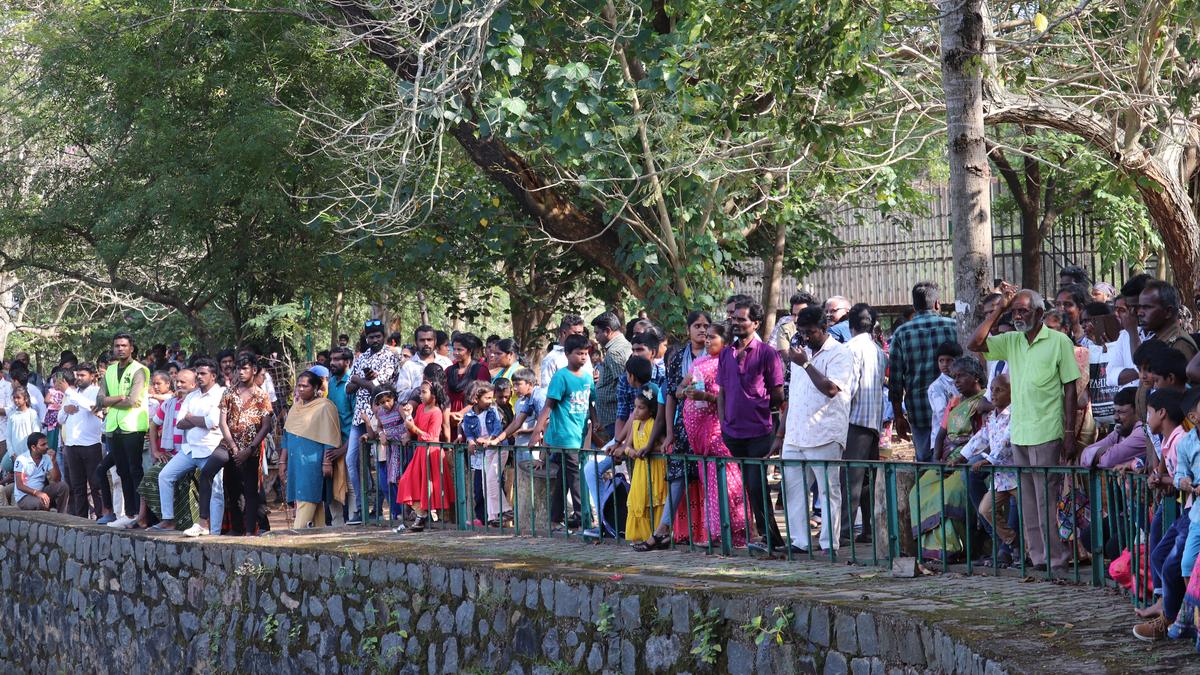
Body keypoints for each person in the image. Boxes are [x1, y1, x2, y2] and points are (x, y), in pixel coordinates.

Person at [969, 284, 1079, 572]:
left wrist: (1069, 433)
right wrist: (1000, 308)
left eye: (1023, 310)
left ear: (1039, 313)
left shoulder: (1058, 342)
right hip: (1020, 431)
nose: (1018, 315)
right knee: (1029, 502)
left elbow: (1070, 389)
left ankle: (1057, 558)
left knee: (1046, 498)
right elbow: (975, 343)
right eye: (1015, 311)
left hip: (1047, 430)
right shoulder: (1012, 341)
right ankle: (1038, 557)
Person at [769, 306, 853, 554]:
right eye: (802, 332)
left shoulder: (840, 354)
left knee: (828, 492)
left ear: (824, 328)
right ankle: (799, 542)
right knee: (793, 490)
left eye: (811, 332)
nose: (805, 337)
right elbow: (793, 398)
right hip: (795, 434)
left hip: (825, 433)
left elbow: (830, 390)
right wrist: (780, 435)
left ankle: (829, 544)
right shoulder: (799, 355)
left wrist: (806, 364)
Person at [718, 300, 785, 551]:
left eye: (741, 319)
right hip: (733, 431)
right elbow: (722, 391)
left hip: (759, 430)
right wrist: (724, 423)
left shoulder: (767, 353)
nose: (735, 323)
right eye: (734, 319)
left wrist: (763, 410)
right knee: (749, 485)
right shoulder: (726, 353)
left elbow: (777, 393)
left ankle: (772, 539)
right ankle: (769, 538)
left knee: (757, 485)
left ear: (755, 323)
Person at [912, 357, 990, 562]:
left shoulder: (984, 401)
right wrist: (936, 458)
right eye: (954, 377)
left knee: (949, 494)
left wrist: (962, 456)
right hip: (948, 460)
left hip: (972, 460)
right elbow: (941, 434)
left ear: (975, 377)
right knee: (918, 490)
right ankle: (930, 548)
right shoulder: (955, 402)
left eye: (961, 376)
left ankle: (953, 547)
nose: (956, 381)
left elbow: (985, 438)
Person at [679, 322, 747, 549]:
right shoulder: (698, 362)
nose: (707, 341)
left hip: (717, 430)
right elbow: (679, 389)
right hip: (697, 433)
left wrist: (704, 396)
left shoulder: (726, 363)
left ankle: (736, 532)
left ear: (725, 342)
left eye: (712, 338)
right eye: (706, 337)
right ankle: (715, 533)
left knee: (727, 481)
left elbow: (724, 399)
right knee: (710, 481)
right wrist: (687, 392)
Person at [1135, 389, 1189, 641]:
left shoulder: (1180, 441)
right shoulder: (1169, 441)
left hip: (1190, 510)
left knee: (1172, 565)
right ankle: (1169, 610)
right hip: (1186, 509)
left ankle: (1172, 617)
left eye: (1149, 413)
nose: (1147, 419)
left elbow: (1186, 480)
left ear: (1162, 413)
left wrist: (1163, 479)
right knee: (1158, 556)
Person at [889, 282, 959, 462]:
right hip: (955, 410)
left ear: (914, 306)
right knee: (954, 459)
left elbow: (895, 380)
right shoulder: (955, 327)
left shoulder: (901, 333)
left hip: (919, 410)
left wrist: (898, 415)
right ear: (937, 303)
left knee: (926, 461)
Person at [531, 333, 593, 529]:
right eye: (578, 353)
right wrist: (536, 432)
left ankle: (554, 518)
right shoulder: (561, 377)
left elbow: (591, 402)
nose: (582, 357)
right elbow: (548, 406)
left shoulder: (587, 377)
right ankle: (584, 517)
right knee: (575, 475)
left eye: (585, 354)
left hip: (579, 433)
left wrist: (596, 420)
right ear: (567, 354)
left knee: (565, 477)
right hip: (564, 435)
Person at [156, 361, 225, 536]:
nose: (199, 377)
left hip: (211, 450)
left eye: (203, 374)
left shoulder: (221, 394)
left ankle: (214, 532)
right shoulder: (192, 396)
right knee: (165, 475)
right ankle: (168, 519)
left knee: (216, 491)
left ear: (213, 376)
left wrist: (192, 419)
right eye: (198, 374)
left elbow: (213, 422)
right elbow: (180, 423)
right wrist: (200, 420)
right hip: (189, 450)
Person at [345, 319, 402, 524]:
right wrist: (366, 382)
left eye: (378, 336)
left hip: (382, 417)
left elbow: (380, 389)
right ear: (366, 338)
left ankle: (381, 509)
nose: (374, 340)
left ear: (383, 336)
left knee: (380, 464)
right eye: (371, 337)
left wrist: (360, 381)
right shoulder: (361, 357)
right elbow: (348, 388)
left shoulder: (390, 357)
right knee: (352, 461)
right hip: (359, 416)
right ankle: (361, 508)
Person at [93, 332, 151, 528]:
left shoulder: (140, 370)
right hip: (113, 428)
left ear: (131, 348)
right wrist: (119, 398)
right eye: (117, 345)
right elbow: (100, 400)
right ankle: (130, 513)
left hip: (133, 427)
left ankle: (142, 515)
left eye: (124, 345)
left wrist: (112, 400)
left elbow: (133, 400)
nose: (120, 349)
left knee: (135, 470)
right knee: (122, 471)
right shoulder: (109, 371)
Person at [842, 303, 887, 544]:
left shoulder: (850, 348)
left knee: (850, 478)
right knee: (867, 478)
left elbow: (847, 389)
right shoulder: (878, 349)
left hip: (854, 420)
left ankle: (846, 530)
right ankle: (869, 529)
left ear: (850, 325)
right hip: (873, 421)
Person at [279, 371, 345, 529]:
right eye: (299, 386)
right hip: (296, 463)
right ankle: (318, 539)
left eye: (305, 386)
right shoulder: (296, 407)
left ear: (315, 387)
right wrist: (282, 461)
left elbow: (330, 437)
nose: (300, 389)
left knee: (307, 499)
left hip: (313, 464)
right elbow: (287, 436)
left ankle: (296, 537)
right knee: (315, 511)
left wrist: (327, 462)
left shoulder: (325, 407)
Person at [217, 356, 274, 535]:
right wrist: (234, 448)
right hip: (231, 449)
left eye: (245, 369)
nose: (240, 372)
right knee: (232, 490)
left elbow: (266, 425)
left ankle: (251, 530)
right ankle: (236, 529)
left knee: (251, 491)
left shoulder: (261, 395)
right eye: (238, 369)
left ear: (254, 370)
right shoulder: (228, 393)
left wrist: (249, 449)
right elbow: (223, 422)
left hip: (252, 450)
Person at [965, 373, 1018, 566]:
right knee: (985, 509)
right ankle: (1013, 541)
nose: (994, 394)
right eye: (992, 389)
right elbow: (981, 437)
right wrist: (962, 456)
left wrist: (988, 460)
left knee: (1028, 515)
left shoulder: (1015, 413)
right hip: (1001, 478)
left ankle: (1030, 553)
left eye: (999, 390)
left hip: (1016, 474)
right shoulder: (992, 417)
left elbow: (1006, 441)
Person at [395, 380, 451, 531]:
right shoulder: (420, 408)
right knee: (406, 481)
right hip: (420, 450)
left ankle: (425, 516)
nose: (420, 395)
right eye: (420, 392)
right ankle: (422, 513)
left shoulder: (437, 412)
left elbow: (432, 436)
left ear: (434, 395)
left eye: (424, 392)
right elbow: (415, 427)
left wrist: (414, 428)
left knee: (430, 486)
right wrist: (408, 417)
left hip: (431, 451)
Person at [624, 385, 668, 549]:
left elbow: (664, 446)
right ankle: (641, 535)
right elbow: (627, 446)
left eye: (641, 408)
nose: (636, 411)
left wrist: (650, 450)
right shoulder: (635, 424)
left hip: (655, 469)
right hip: (640, 471)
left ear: (651, 410)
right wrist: (632, 452)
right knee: (639, 499)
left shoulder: (652, 425)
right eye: (635, 407)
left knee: (655, 500)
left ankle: (656, 535)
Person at [460, 381, 509, 527]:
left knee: (493, 482)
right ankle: (483, 517)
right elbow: (467, 431)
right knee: (479, 487)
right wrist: (470, 441)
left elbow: (497, 428)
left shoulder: (493, 411)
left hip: (495, 449)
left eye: (491, 397)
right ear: (476, 399)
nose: (490, 401)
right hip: (480, 454)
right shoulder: (469, 416)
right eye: (487, 398)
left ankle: (499, 515)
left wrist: (489, 439)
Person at [365, 385, 409, 527]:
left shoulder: (399, 408)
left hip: (402, 447)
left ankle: (405, 511)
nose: (386, 404)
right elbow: (379, 427)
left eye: (388, 400)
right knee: (392, 480)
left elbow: (407, 421)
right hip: (391, 449)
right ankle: (398, 512)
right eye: (382, 402)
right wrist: (381, 434)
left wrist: (407, 435)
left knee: (400, 478)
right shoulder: (380, 413)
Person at [1079, 387, 1146, 469]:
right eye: (1114, 412)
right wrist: (1112, 449)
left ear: (1138, 412)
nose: (1116, 417)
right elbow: (1085, 455)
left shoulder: (1142, 432)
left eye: (1121, 412)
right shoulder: (1120, 432)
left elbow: (1107, 461)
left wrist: (1107, 451)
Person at [591, 312, 631, 441]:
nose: (596, 338)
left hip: (615, 418)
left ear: (607, 331)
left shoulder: (615, 352)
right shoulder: (621, 346)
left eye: (597, 333)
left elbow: (623, 385)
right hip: (613, 418)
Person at [394, 325, 454, 403]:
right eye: (422, 340)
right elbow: (401, 397)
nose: (426, 343)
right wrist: (420, 390)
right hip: (418, 412)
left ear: (435, 341)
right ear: (416, 342)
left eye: (429, 340)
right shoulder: (408, 366)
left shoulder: (446, 362)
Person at [538, 314, 593, 391]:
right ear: (564, 333)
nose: (580, 336)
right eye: (576, 333)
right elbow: (547, 391)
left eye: (581, 333)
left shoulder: (584, 354)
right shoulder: (551, 359)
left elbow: (590, 382)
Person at [14, 432, 67, 512]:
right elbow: (20, 485)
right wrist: (37, 493)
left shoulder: (47, 458)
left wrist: (54, 461)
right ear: (33, 447)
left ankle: (62, 517)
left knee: (63, 486)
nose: (47, 447)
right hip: (24, 497)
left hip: (42, 492)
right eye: (43, 445)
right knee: (41, 502)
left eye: (46, 443)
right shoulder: (21, 459)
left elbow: (57, 479)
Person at [927, 341, 965, 443]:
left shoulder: (964, 382)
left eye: (949, 360)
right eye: (941, 361)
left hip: (962, 436)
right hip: (944, 439)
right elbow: (942, 414)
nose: (944, 364)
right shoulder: (936, 387)